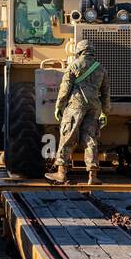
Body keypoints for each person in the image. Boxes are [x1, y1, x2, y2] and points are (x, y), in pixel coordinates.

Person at [46, 39, 109, 185]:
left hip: (76, 105)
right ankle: (93, 176)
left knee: (68, 137)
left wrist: (59, 106)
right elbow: (106, 93)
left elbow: (65, 88)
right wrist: (105, 112)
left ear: (79, 51)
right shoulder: (101, 69)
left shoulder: (74, 65)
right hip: (94, 107)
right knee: (90, 139)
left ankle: (61, 173)